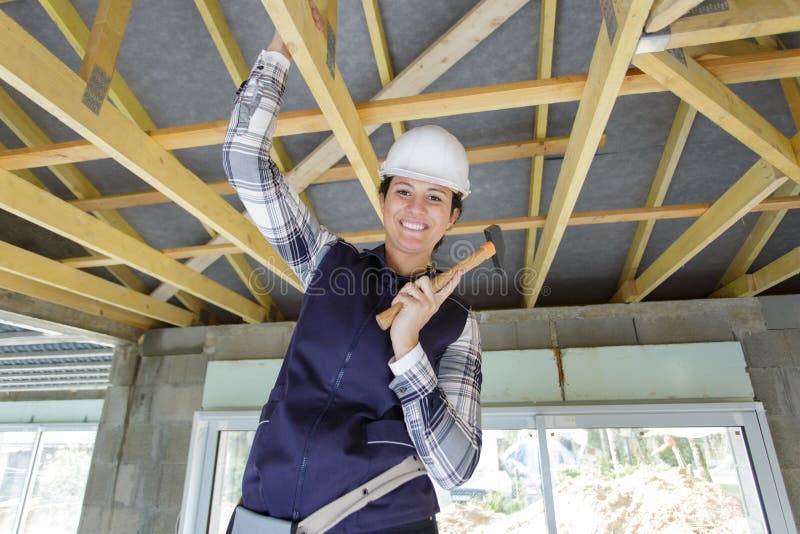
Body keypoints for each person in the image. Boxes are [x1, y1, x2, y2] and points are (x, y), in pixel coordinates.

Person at [223, 5, 482, 532]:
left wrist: (409, 351)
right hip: (265, 514)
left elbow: (455, 468)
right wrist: (284, 45)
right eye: (404, 191)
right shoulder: (327, 263)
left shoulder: (458, 325)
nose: (416, 208)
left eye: (436, 197)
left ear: (453, 217)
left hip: (385, 522)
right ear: (383, 201)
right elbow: (244, 161)